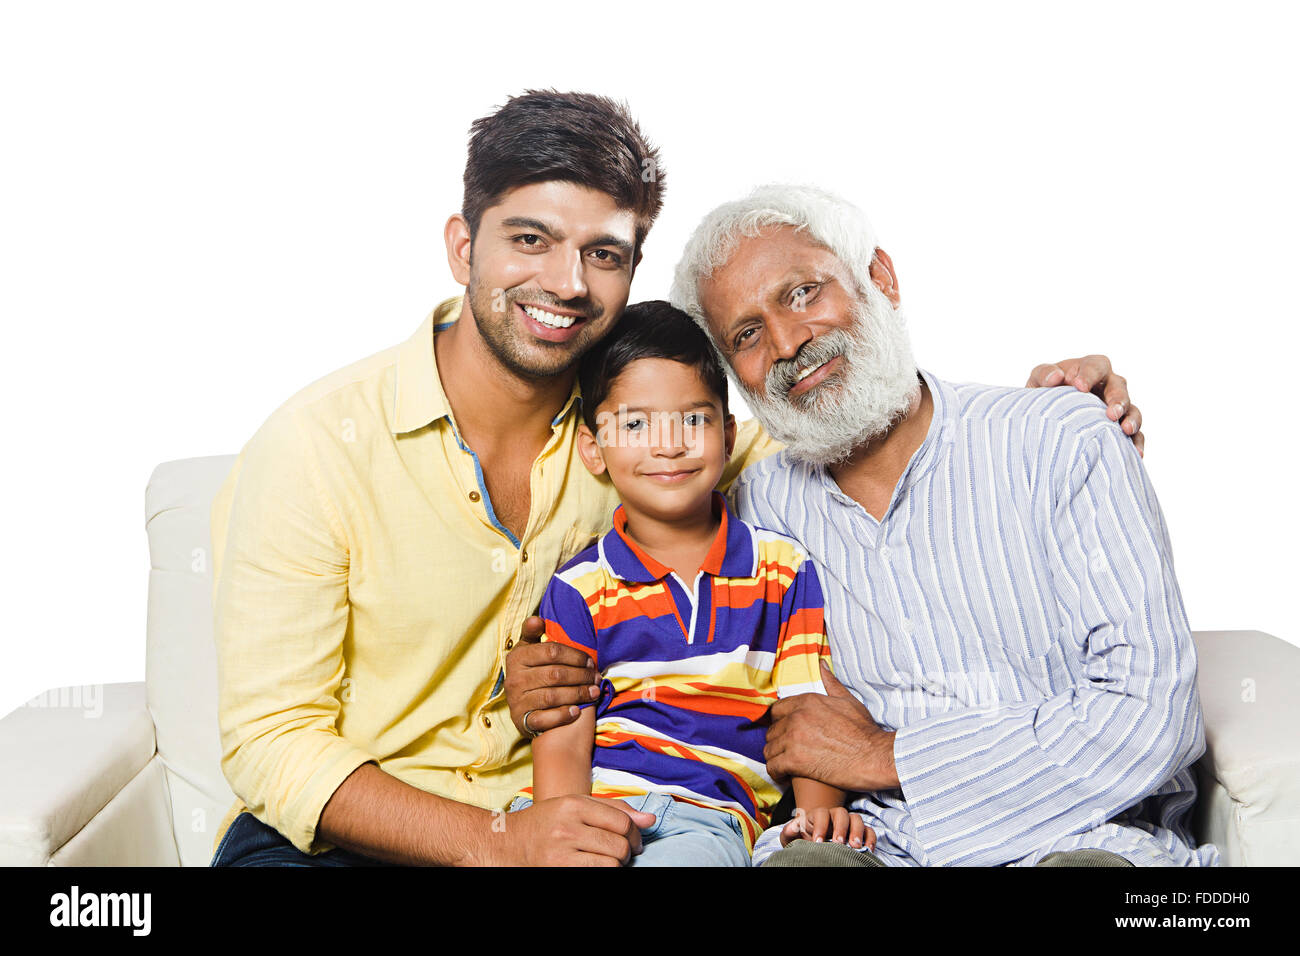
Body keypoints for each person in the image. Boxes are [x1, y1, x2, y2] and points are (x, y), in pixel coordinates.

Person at [209, 89, 1144, 867]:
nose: (567, 282)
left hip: (597, 830)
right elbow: (271, 742)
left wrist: (1049, 415)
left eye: (604, 253)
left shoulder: (660, 444)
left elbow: (844, 410)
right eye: (529, 240)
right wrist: (496, 840)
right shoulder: (315, 448)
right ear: (464, 247)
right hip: (357, 839)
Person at [671, 184, 1215, 867]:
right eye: (746, 335)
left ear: (880, 279)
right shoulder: (757, 507)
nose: (787, 342)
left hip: (1084, 836)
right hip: (879, 847)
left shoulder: (1060, 441)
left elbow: (1149, 714)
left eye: (804, 292)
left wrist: (884, 755)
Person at [507, 301, 876, 865]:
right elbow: (564, 725)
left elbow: (805, 699)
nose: (669, 444)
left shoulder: (783, 568)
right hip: (592, 808)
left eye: (693, 420)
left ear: (727, 436)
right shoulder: (579, 586)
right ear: (593, 449)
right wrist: (563, 831)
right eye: (635, 424)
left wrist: (816, 809)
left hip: (703, 818)